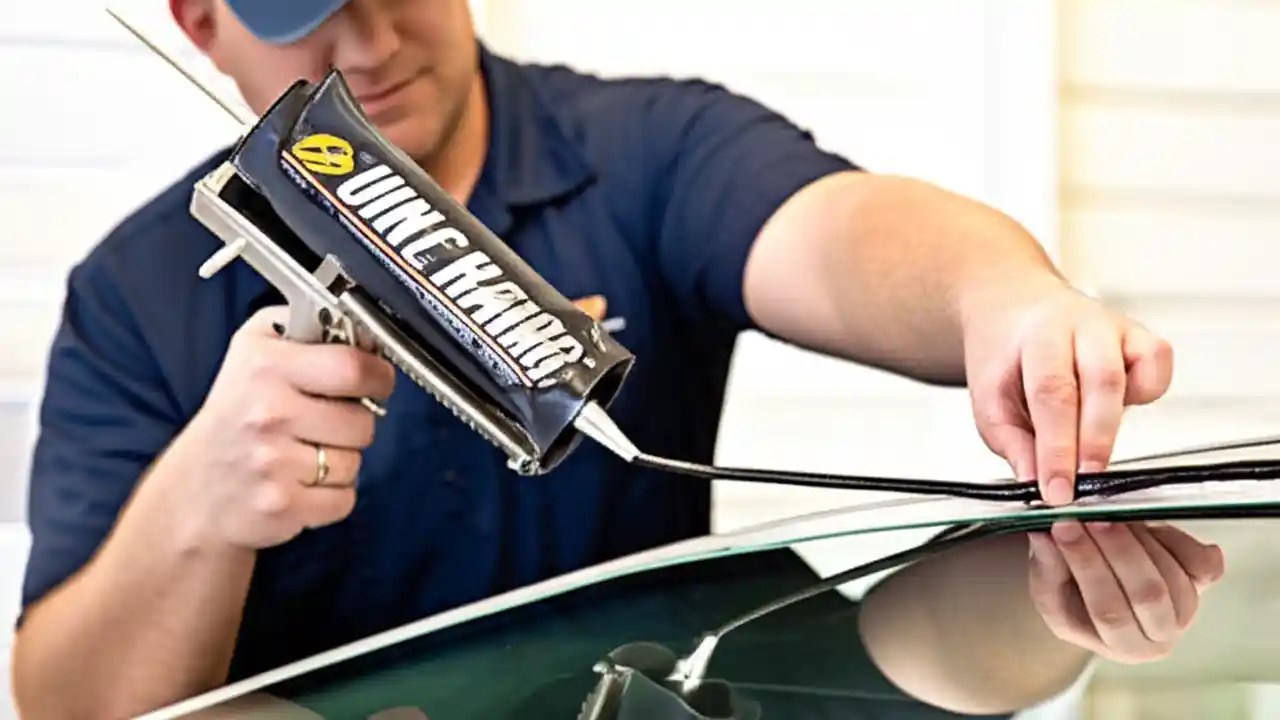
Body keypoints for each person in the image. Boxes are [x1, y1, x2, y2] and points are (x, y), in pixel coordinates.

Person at [11, 1, 1225, 718]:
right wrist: (201, 505)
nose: (370, 41)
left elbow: (832, 232)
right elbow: (65, 699)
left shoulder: (643, 145)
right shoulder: (137, 295)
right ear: (200, 22)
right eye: (304, 10)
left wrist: (997, 296)